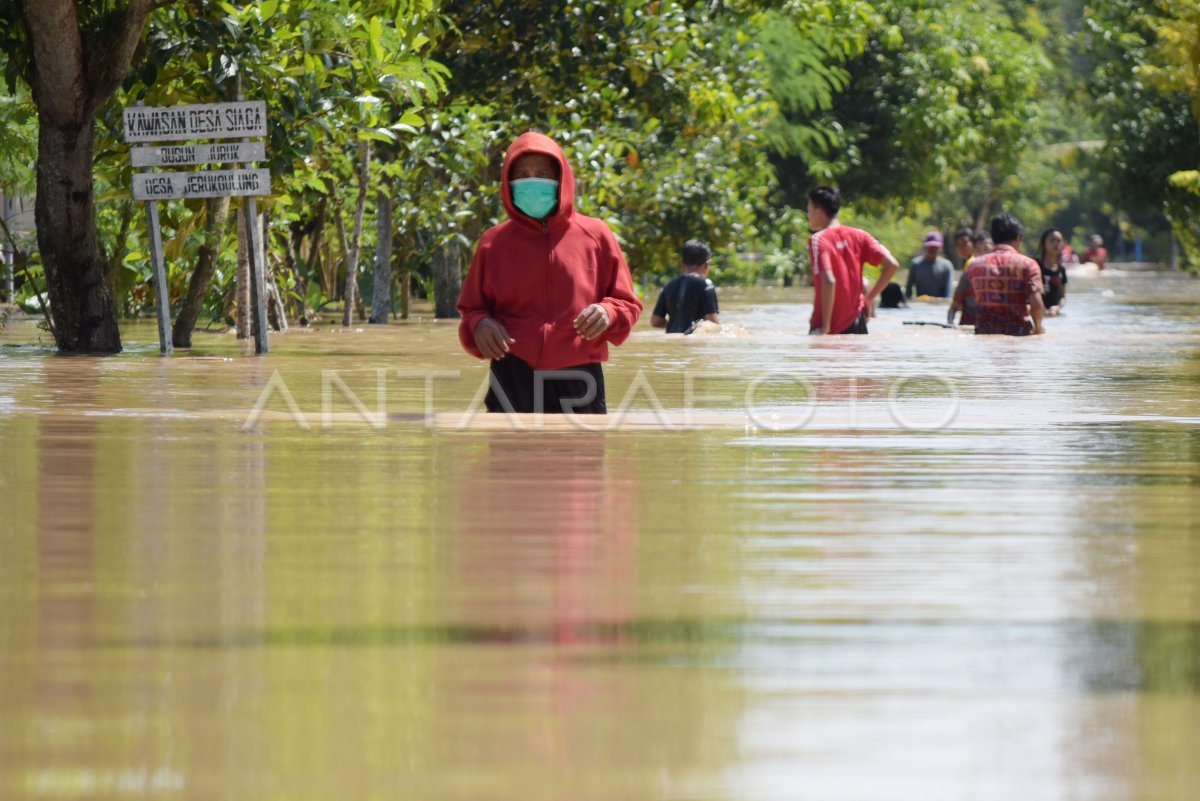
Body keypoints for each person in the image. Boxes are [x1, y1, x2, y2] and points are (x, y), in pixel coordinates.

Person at [457, 131, 642, 414]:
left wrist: (608, 312)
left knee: (582, 457)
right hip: (512, 374)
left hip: (580, 379)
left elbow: (627, 303)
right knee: (509, 457)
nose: (532, 180)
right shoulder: (493, 243)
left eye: (543, 173)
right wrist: (480, 324)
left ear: (561, 180)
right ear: (508, 182)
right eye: (522, 174)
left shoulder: (596, 235)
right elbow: (471, 309)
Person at [805, 186, 900, 335]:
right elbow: (892, 265)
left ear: (818, 211)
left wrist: (825, 327)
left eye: (808, 210)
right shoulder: (860, 235)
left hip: (830, 327)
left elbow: (829, 281)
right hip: (857, 323)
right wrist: (868, 298)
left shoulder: (818, 240)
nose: (808, 215)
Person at [952, 213, 1044, 336]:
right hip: (1018, 334)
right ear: (1017, 238)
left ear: (993, 237)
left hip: (983, 335)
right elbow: (1037, 304)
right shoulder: (1029, 264)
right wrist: (1038, 328)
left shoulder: (975, 266)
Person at [650, 239, 720, 333]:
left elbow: (655, 321)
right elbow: (712, 320)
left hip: (672, 339)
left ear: (682, 263)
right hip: (695, 342)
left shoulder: (669, 285)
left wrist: (673, 325)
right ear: (707, 264)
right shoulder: (705, 284)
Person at [947, 231, 990, 326]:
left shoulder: (1003, 277)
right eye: (978, 251)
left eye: (987, 250)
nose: (983, 255)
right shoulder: (968, 274)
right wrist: (950, 327)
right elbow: (953, 307)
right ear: (973, 251)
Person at [906, 231, 954, 299]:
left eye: (935, 247)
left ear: (940, 248)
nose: (933, 249)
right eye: (930, 246)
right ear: (926, 247)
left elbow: (948, 292)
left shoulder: (946, 266)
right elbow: (908, 290)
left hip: (940, 306)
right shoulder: (916, 264)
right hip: (920, 306)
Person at [1036, 228, 1068, 316]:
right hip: (1036, 314)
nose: (1056, 243)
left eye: (1059, 241)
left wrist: (1057, 307)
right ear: (1044, 243)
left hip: (1054, 315)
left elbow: (1062, 297)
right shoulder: (1034, 265)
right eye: (1052, 240)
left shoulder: (1062, 270)